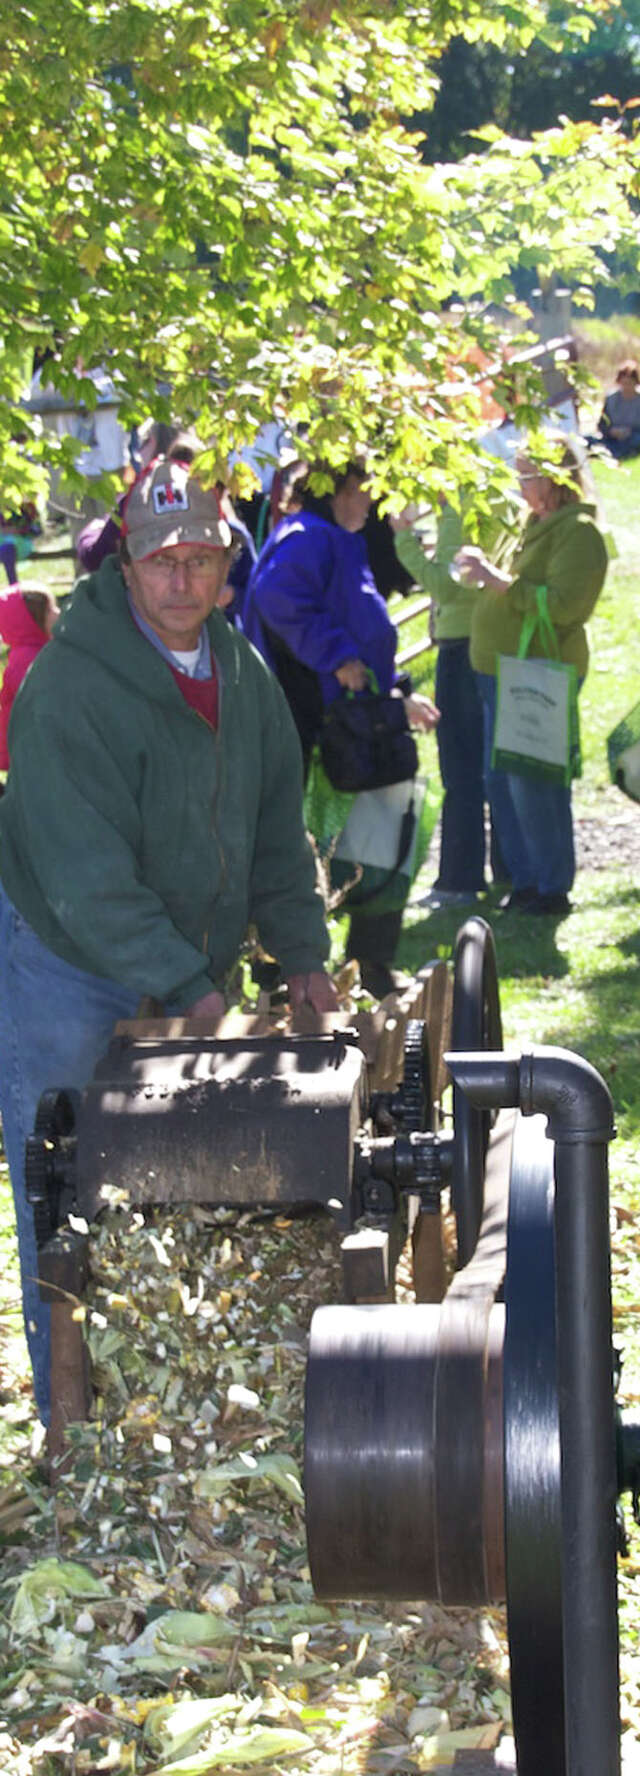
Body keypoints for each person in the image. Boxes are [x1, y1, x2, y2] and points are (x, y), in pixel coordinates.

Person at [0, 460, 338, 1424]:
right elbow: (86, 878)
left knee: (168, 1184)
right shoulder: (70, 687)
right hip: (67, 961)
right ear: (127, 563)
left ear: (229, 562)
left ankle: (160, 1408)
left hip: (183, 966)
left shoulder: (242, 672)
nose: (183, 579)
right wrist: (193, 989)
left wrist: (303, 955)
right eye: (162, 560)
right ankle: (74, 1431)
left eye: (201, 556)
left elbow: (278, 834)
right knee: (63, 1186)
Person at [244, 461, 438, 995]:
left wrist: (397, 689)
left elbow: (363, 624)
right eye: (363, 493)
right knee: (299, 843)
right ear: (339, 492)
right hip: (313, 725)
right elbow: (277, 597)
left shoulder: (333, 538)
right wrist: (336, 656)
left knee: (377, 831)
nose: (369, 505)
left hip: (352, 719)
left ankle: (369, 962)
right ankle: (281, 970)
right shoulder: (307, 537)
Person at [456, 434, 608, 917]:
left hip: (537, 674)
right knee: (504, 779)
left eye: (527, 474)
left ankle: (551, 885)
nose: (520, 484)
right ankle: (524, 881)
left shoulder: (578, 532)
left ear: (555, 478)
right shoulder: (532, 525)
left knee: (535, 780)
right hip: (500, 673)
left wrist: (497, 581)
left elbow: (566, 608)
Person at [393, 499, 510, 905]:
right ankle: (506, 869)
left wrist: (402, 539)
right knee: (487, 761)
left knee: (460, 764)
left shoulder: (461, 503)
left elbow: (447, 584)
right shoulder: (484, 494)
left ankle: (460, 880)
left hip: (463, 645)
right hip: (482, 639)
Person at [0, 585, 57, 771]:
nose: (58, 612)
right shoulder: (28, 661)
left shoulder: (35, 652)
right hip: (25, 746)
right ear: (32, 620)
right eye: (50, 609)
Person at [595, 360, 640, 461]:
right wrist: (612, 431)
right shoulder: (611, 399)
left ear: (636, 383)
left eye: (629, 383)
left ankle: (619, 453)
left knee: (639, 442)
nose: (626, 387)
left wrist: (629, 432)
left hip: (636, 437)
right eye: (624, 383)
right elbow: (602, 425)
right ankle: (614, 452)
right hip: (613, 438)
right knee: (587, 440)